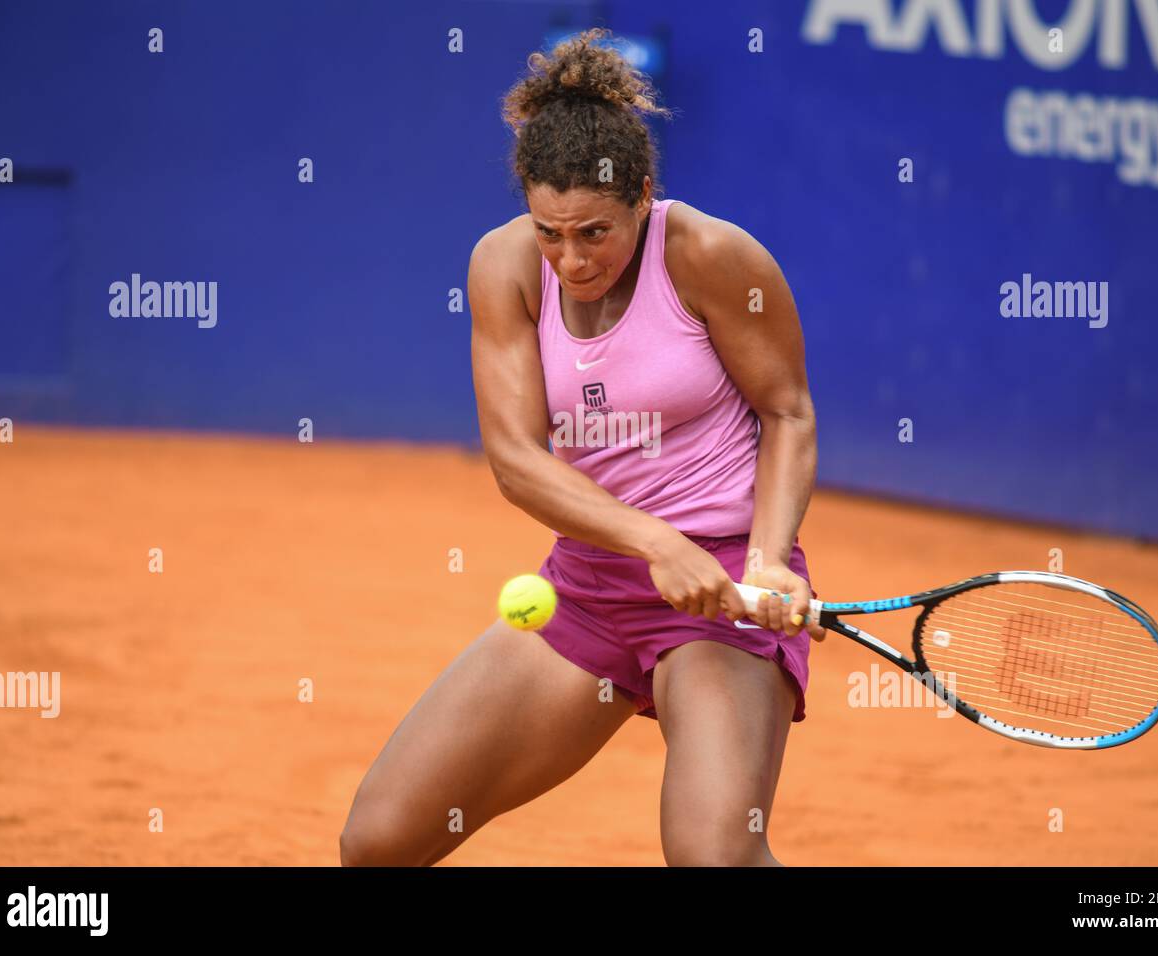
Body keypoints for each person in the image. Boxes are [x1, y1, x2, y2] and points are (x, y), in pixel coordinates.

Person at [341, 27, 826, 868]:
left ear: (642, 195)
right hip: (592, 586)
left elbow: (786, 414)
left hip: (723, 590)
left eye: (595, 233)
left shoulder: (711, 257)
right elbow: (516, 461)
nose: (570, 259)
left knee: (716, 859)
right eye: (549, 232)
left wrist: (768, 559)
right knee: (378, 842)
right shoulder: (502, 266)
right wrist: (650, 542)